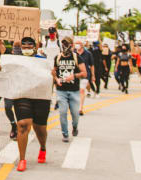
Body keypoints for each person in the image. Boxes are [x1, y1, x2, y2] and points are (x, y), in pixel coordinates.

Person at [10, 36, 50, 172]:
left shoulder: (43, 60)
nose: (26, 49)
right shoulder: (16, 60)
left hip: (40, 96)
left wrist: (53, 74)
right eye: (24, 47)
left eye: (29, 46)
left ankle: (43, 147)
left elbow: (50, 76)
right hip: (22, 95)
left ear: (35, 47)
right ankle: (22, 159)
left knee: (40, 128)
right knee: (22, 124)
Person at [53, 39, 88, 142]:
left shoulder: (77, 58)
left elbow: (84, 73)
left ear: (71, 45)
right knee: (62, 112)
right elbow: (53, 71)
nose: (65, 46)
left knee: (75, 114)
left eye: (67, 44)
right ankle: (65, 133)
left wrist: (74, 76)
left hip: (74, 90)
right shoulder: (58, 57)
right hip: (61, 90)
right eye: (63, 44)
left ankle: (75, 126)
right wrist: (56, 79)